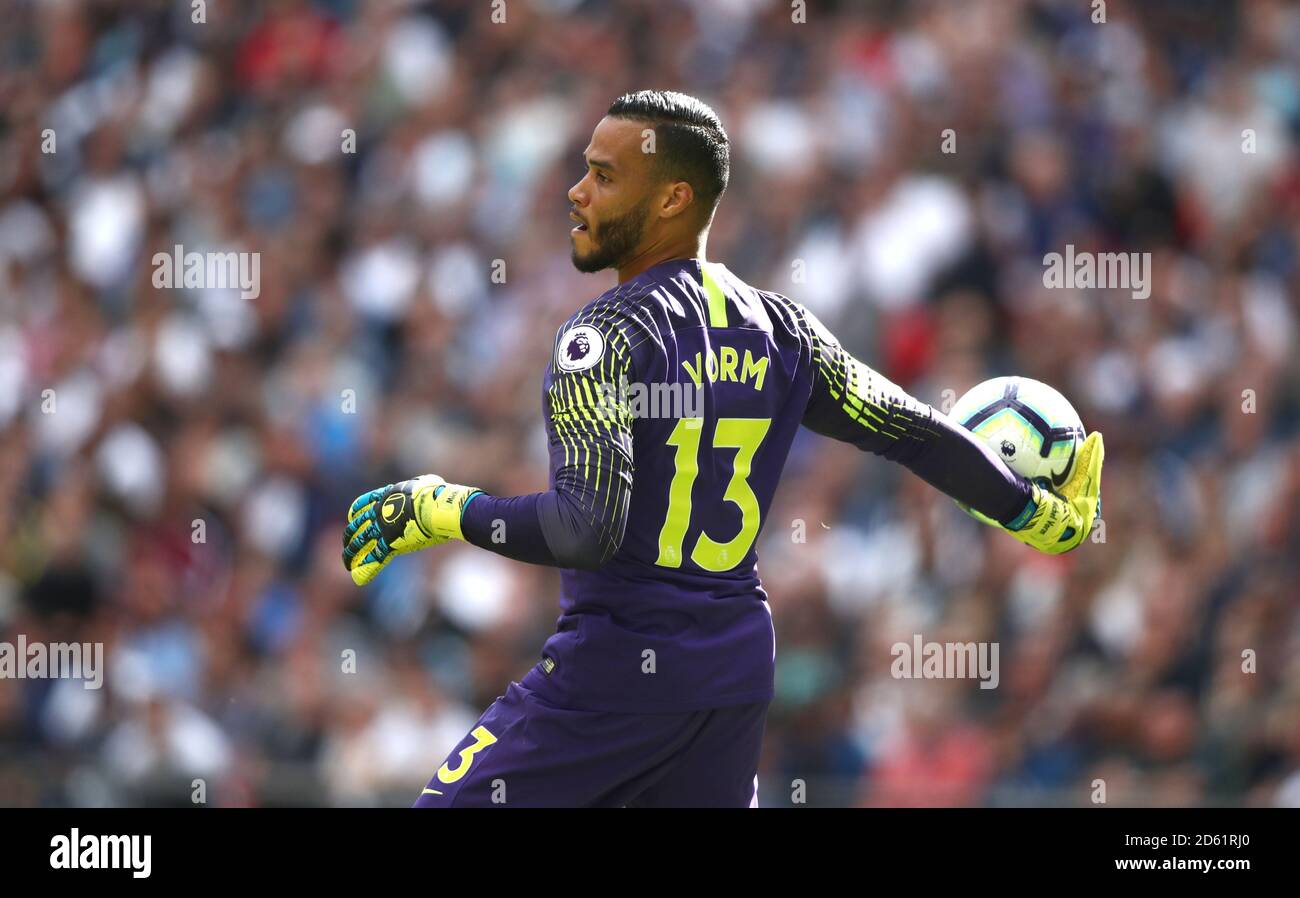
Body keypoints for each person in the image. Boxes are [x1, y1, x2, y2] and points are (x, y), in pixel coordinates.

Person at [339, 90, 1104, 808]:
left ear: (673, 198)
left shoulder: (601, 337)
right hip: (732, 670)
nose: (576, 192)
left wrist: (443, 509)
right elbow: (912, 430)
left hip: (613, 675)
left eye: (603, 176)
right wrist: (1029, 509)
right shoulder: (783, 330)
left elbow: (584, 528)